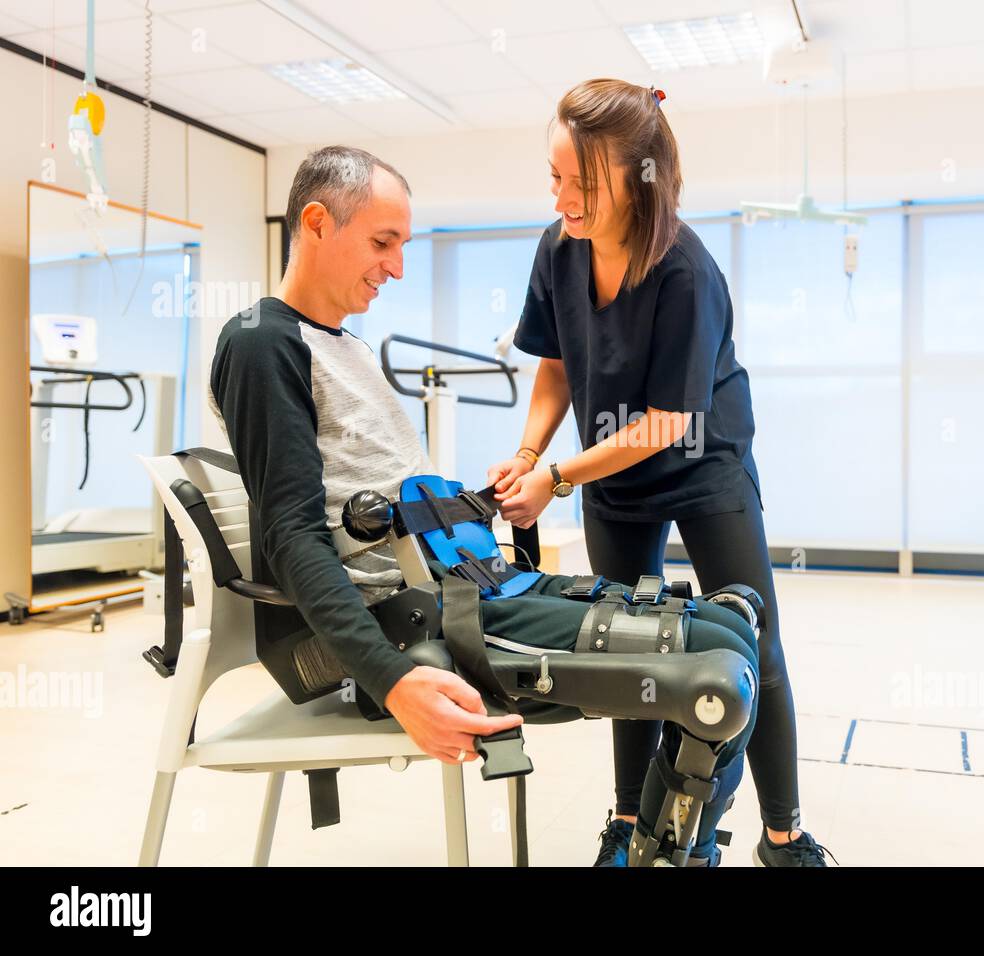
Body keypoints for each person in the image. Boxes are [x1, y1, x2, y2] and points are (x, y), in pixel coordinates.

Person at [208, 145, 757, 863]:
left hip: (471, 582)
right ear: (316, 223)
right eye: (383, 242)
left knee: (735, 624)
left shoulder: (346, 348)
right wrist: (392, 681)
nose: (396, 267)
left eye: (402, 246)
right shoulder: (261, 344)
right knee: (722, 667)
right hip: (416, 621)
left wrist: (499, 489)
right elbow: (291, 538)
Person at [488, 80, 832, 866]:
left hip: (703, 462)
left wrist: (559, 478)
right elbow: (555, 364)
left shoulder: (684, 270)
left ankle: (784, 836)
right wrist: (530, 456)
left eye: (581, 183)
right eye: (554, 177)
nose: (561, 198)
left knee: (756, 645)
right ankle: (627, 821)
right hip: (612, 470)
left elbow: (672, 421)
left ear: (637, 180)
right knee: (625, 649)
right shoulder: (559, 248)